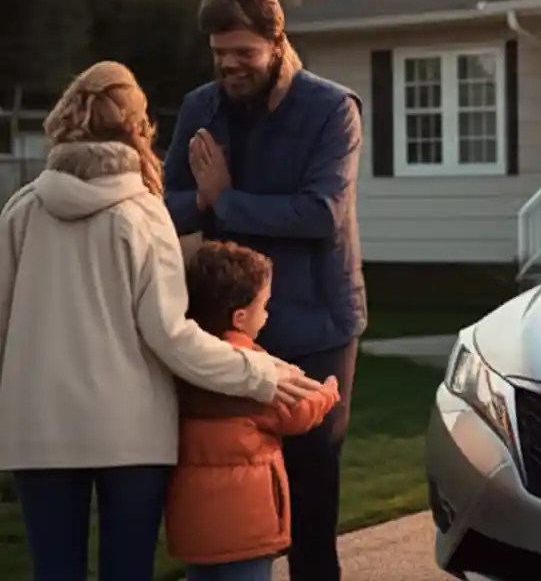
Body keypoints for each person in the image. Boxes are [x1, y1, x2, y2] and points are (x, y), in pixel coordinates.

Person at [0, 61, 325, 581]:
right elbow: (172, 337)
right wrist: (262, 375)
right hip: (131, 434)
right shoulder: (144, 215)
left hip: (37, 430)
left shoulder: (20, 211)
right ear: (137, 127)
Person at [163, 0, 367, 580]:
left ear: (277, 44)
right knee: (226, 488)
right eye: (220, 52)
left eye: (244, 52)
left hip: (316, 324)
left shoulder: (332, 109)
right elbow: (167, 203)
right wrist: (203, 201)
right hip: (225, 331)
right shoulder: (201, 106)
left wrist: (222, 200)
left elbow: (320, 213)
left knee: (310, 492)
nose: (230, 64)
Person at [166, 240, 341, 581]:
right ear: (241, 316)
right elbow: (297, 412)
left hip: (194, 525)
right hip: (247, 527)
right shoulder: (251, 370)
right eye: (264, 306)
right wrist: (328, 394)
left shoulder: (186, 365)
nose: (268, 314)